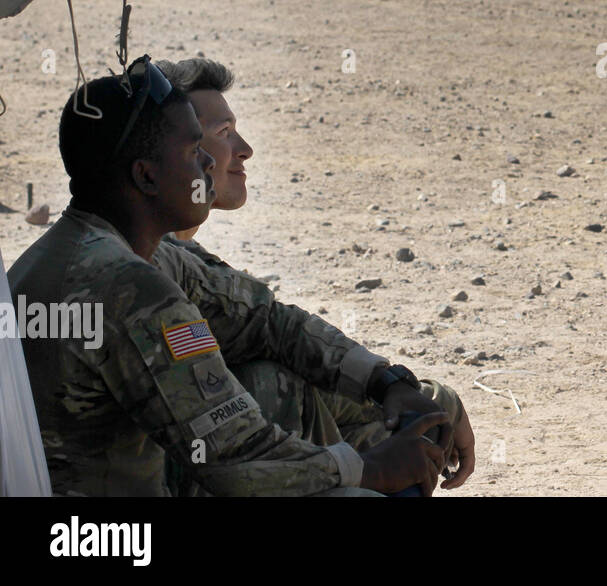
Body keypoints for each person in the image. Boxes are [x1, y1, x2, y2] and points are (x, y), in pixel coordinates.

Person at [7, 58, 448, 496]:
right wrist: (365, 469)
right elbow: (232, 458)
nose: (206, 163)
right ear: (146, 176)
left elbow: (262, 319)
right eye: (192, 149)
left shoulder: (101, 252)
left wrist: (382, 380)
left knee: (277, 380)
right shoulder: (126, 287)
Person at [150, 57, 475, 488]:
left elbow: (275, 326)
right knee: (273, 381)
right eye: (223, 133)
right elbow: (263, 381)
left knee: (395, 426)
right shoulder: (149, 265)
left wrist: (422, 398)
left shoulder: (179, 256)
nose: (244, 149)